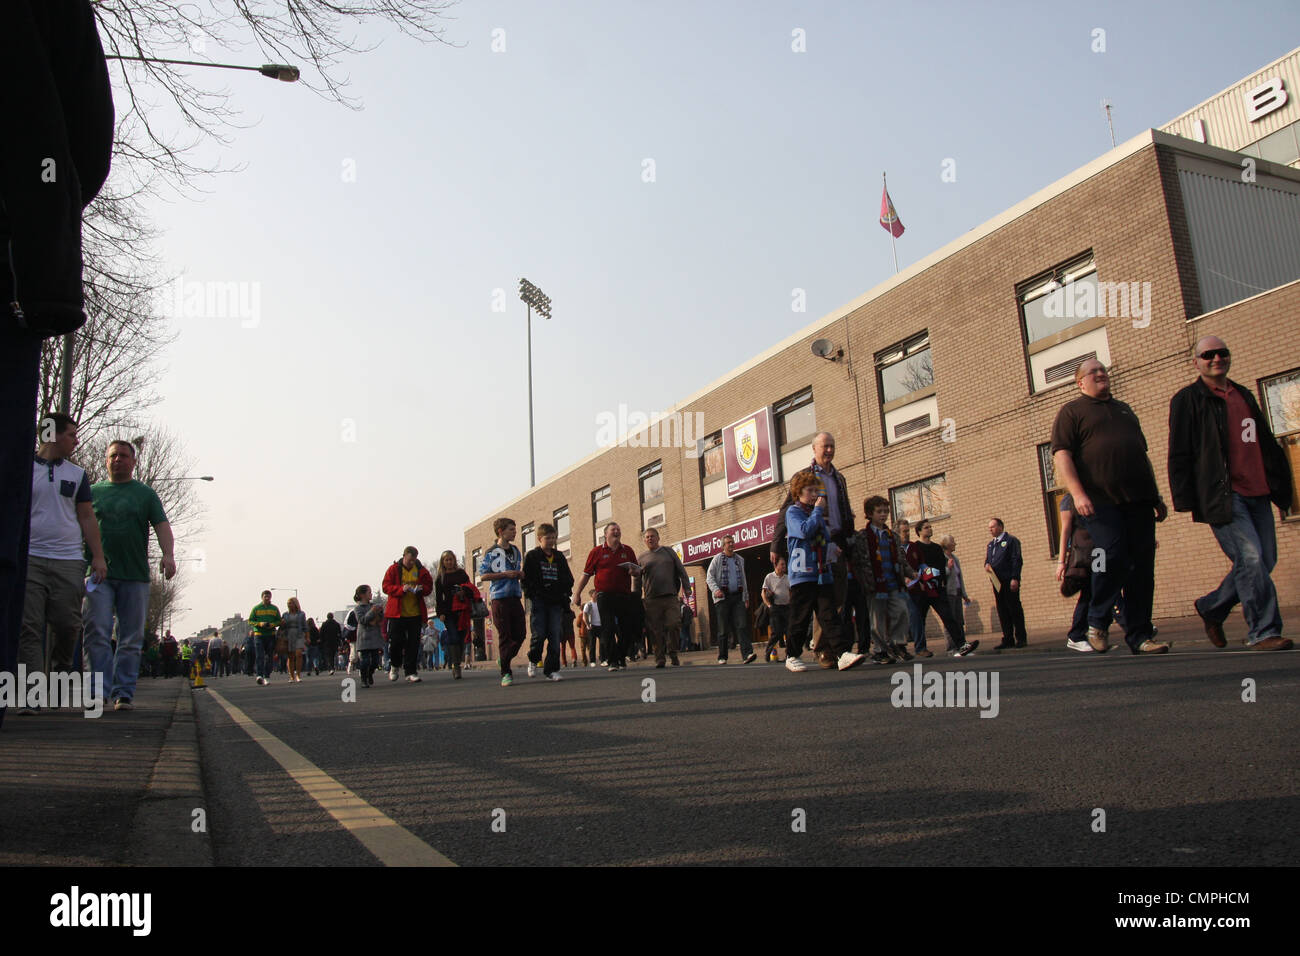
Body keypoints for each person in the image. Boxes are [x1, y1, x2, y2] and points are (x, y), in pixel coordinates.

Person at [0, 0, 114, 729]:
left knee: (57, 628)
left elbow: (85, 137)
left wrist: (103, 562)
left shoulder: (79, 478)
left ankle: (35, 694)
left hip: (10, 275)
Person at [1168, 336, 1294, 652]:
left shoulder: (1244, 395)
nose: (1216, 358)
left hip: (1259, 492)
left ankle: (1213, 606)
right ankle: (1264, 632)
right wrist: (1185, 497)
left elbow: (1264, 443)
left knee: (1264, 560)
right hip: (1223, 494)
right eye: (1208, 354)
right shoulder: (1188, 400)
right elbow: (1179, 452)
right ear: (1195, 362)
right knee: (1250, 557)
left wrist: (1283, 487)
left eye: (1222, 352)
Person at [1052, 358, 1170, 655]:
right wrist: (1078, 494)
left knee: (1142, 568)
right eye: (1093, 372)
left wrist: (1155, 496)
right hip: (1099, 502)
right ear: (1080, 383)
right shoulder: (1072, 412)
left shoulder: (1125, 410)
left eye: (1103, 369)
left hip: (1138, 500)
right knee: (1110, 554)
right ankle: (1097, 619)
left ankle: (1140, 636)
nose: (1101, 373)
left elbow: (1141, 455)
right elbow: (1062, 456)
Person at [18, 412, 107, 712]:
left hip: (68, 559)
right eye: (71, 434)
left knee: (68, 625)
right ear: (51, 435)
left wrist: (97, 556)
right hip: (29, 558)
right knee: (28, 628)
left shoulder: (78, 474)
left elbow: (86, 516)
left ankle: (59, 679)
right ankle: (30, 695)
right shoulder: (22, 469)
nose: (76, 440)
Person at [81, 440, 177, 711]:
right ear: (106, 460)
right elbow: (78, 525)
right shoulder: (92, 492)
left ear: (133, 462)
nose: (118, 460)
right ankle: (98, 692)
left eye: (124, 456)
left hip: (135, 576)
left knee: (130, 639)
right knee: (96, 632)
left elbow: (162, 526)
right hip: (97, 575)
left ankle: (124, 692)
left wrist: (168, 554)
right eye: (113, 455)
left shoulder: (145, 495)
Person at [771, 432, 866, 655]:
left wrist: (849, 539)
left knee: (836, 600)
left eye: (832, 446)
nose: (829, 450)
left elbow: (844, 510)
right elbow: (785, 512)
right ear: (814, 449)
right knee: (819, 603)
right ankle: (824, 651)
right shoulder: (804, 477)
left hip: (836, 543)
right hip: (813, 546)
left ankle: (835, 650)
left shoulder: (838, 478)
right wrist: (776, 544)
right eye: (825, 446)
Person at [783, 472, 866, 672]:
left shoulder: (815, 514)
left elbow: (822, 537)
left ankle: (842, 653)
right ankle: (792, 655)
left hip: (821, 573)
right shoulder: (793, 512)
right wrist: (818, 512)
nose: (814, 495)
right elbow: (804, 531)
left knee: (829, 615)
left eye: (816, 491)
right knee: (800, 618)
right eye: (809, 490)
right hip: (803, 574)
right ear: (799, 492)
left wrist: (832, 548)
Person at [847, 496, 916, 665]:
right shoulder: (863, 536)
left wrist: (909, 572)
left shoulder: (892, 535)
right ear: (870, 514)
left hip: (893, 581)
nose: (883, 515)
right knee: (877, 619)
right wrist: (863, 580)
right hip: (874, 584)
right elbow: (857, 561)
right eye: (879, 511)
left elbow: (900, 557)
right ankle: (880, 650)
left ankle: (899, 644)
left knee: (901, 611)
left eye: (886, 511)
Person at [574, 522, 643, 672]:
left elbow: (637, 571)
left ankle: (620, 656)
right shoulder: (596, 552)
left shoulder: (628, 550)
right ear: (606, 534)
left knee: (627, 629)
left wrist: (634, 572)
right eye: (613, 530)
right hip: (604, 595)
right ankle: (613, 661)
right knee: (608, 627)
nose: (617, 531)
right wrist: (577, 593)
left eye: (618, 529)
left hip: (624, 595)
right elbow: (586, 575)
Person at [905, 518, 969, 657]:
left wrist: (943, 582)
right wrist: (919, 582)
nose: (930, 529)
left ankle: (962, 644)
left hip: (937, 589)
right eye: (926, 527)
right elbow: (914, 566)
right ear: (919, 531)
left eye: (930, 527)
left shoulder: (936, 548)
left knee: (948, 616)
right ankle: (921, 648)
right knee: (919, 618)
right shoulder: (915, 547)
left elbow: (942, 567)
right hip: (922, 590)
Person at [522, 523, 574, 680]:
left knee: (555, 635)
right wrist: (533, 593)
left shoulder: (559, 557)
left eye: (553, 537)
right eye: (548, 538)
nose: (551, 541)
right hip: (539, 601)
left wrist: (561, 591)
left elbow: (568, 578)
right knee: (539, 634)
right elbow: (526, 580)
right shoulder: (532, 556)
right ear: (539, 539)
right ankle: (533, 659)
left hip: (556, 601)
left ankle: (551, 669)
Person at [480, 519, 526, 686]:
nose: (514, 532)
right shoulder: (491, 552)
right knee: (505, 635)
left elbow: (518, 570)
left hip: (515, 596)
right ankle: (506, 672)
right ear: (500, 531)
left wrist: (520, 574)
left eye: (515, 529)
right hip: (499, 598)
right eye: (511, 529)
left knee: (520, 634)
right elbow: (483, 575)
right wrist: (504, 574)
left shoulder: (515, 550)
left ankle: (504, 658)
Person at [638, 527, 691, 668]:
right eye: (647, 537)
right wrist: (636, 597)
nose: (650, 539)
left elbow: (681, 569)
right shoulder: (641, 558)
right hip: (651, 599)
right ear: (644, 540)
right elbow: (636, 579)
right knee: (656, 630)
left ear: (658, 538)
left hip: (670, 597)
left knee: (674, 624)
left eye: (652, 536)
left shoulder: (668, 552)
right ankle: (659, 658)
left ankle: (673, 652)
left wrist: (687, 587)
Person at [382, 546, 434, 683]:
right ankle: (394, 666)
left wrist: (422, 589)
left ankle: (411, 671)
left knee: (413, 643)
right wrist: (400, 589)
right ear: (404, 556)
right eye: (409, 560)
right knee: (396, 642)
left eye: (414, 560)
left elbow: (429, 586)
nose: (411, 563)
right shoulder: (393, 569)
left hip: (415, 613)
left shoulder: (421, 571)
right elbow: (385, 587)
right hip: (396, 614)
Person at [706, 535, 754, 664]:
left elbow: (743, 580)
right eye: (728, 543)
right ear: (723, 546)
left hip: (738, 597)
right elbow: (709, 577)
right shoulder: (717, 559)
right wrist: (716, 590)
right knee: (723, 629)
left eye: (732, 542)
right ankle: (722, 656)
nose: (731, 545)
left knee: (742, 625)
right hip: (722, 598)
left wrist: (746, 597)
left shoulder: (739, 560)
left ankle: (747, 654)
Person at [984, 518, 1027, 649]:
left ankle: (1021, 638)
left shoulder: (1011, 541)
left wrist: (1015, 577)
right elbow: (988, 560)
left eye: (993, 526)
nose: (990, 529)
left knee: (1014, 609)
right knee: (1002, 610)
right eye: (989, 527)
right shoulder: (991, 545)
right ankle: (1008, 638)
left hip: (1009, 580)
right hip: (997, 582)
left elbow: (1016, 560)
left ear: (1001, 527)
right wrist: (986, 565)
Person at [434, 550, 475, 680]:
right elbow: (439, 598)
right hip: (448, 611)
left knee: (462, 637)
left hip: (462, 609)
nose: (449, 562)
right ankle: (456, 666)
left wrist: (463, 591)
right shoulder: (440, 577)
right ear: (443, 562)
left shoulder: (461, 573)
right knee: (453, 637)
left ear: (454, 560)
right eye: (446, 560)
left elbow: (470, 588)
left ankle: (458, 660)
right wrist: (440, 613)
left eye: (451, 559)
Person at [938, 533, 976, 655]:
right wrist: (948, 568)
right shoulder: (942, 558)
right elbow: (940, 575)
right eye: (953, 542)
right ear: (947, 544)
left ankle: (963, 646)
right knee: (950, 621)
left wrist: (964, 594)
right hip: (948, 593)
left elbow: (960, 578)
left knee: (959, 620)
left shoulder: (955, 558)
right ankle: (951, 648)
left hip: (957, 593)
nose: (955, 544)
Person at [351, 585, 384, 688]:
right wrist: (372, 612)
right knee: (365, 660)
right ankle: (363, 679)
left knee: (375, 661)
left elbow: (381, 618)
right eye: (369, 592)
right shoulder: (358, 608)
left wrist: (378, 614)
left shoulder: (373, 605)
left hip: (375, 637)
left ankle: (370, 673)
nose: (371, 594)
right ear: (362, 595)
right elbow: (362, 620)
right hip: (364, 637)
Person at [761, 557, 791, 663]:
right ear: (776, 565)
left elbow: (791, 591)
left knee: (789, 632)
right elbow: (763, 593)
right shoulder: (769, 577)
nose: (784, 566)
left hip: (787, 607)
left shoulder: (788, 578)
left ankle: (789, 655)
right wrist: (769, 605)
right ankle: (768, 652)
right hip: (776, 608)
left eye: (784, 564)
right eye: (782, 564)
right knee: (777, 632)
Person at [249, 589, 281, 685]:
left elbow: (279, 620)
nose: (267, 598)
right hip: (259, 635)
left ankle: (267, 676)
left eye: (268, 596)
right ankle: (259, 675)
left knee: (270, 656)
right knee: (260, 656)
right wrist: (260, 624)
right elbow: (250, 621)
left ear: (270, 597)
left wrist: (272, 624)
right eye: (265, 596)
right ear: (262, 597)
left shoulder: (274, 608)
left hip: (270, 635)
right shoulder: (256, 608)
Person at [281, 596, 307, 683]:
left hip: (299, 634)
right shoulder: (285, 614)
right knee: (290, 656)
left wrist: (307, 637)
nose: (289, 605)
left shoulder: (301, 614)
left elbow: (305, 626)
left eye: (291, 603)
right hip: (288, 635)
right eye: (288, 604)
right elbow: (282, 627)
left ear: (295, 604)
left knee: (299, 654)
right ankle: (292, 676)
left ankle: (298, 675)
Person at [582, 596, 603, 665]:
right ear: (591, 596)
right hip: (592, 627)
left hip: (600, 625)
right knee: (592, 644)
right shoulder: (588, 604)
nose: (597, 595)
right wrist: (588, 625)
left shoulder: (600, 603)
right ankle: (592, 661)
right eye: (595, 594)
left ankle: (602, 659)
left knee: (602, 643)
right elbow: (584, 614)